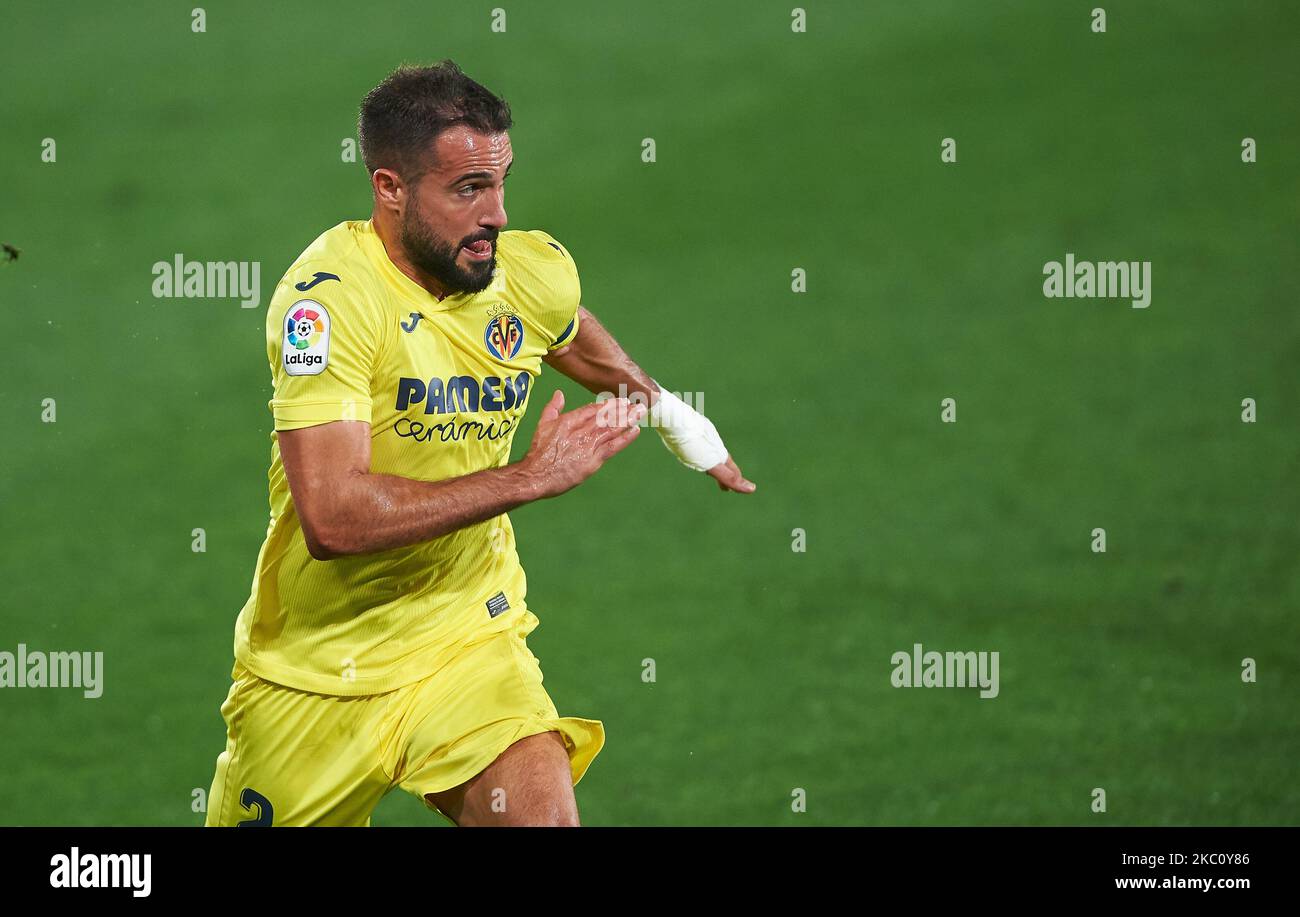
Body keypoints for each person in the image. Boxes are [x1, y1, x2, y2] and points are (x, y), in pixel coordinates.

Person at [204, 60, 755, 827]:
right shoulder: (328, 305)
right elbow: (331, 519)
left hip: (466, 635)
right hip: (317, 669)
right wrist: (528, 478)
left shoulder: (518, 270)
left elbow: (567, 328)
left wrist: (670, 416)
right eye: (467, 190)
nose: (496, 214)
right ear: (390, 188)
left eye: (500, 183)